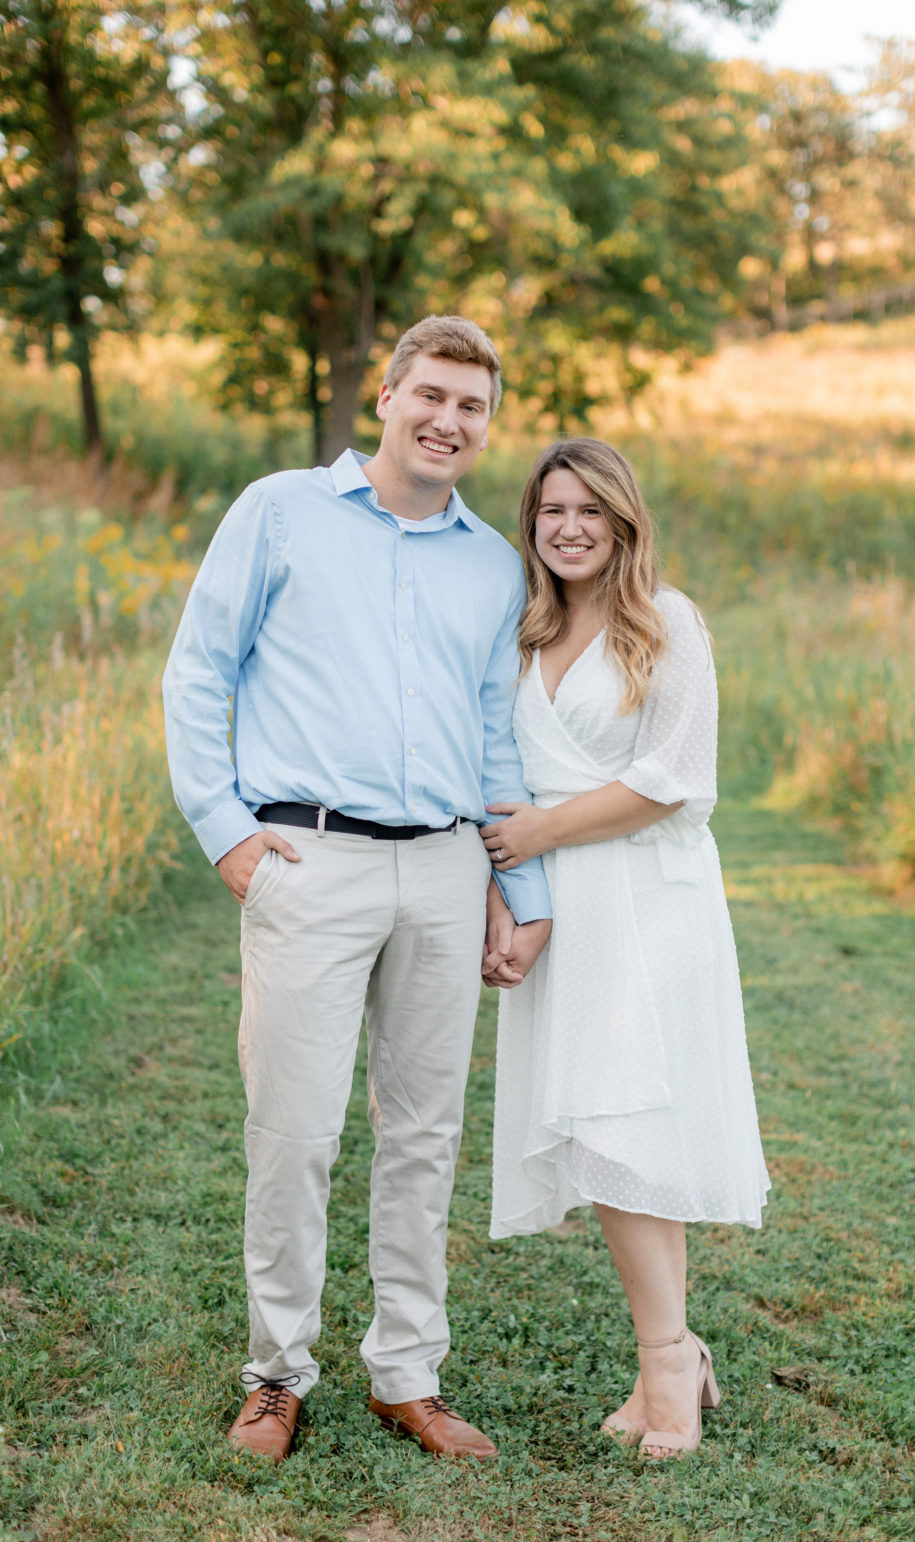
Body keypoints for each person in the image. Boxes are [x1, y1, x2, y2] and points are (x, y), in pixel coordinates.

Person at [162, 316, 552, 1465]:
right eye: (428, 394)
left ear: (487, 423)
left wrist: (514, 885)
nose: (446, 420)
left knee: (425, 1129)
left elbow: (491, 734)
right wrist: (224, 830)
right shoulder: (278, 509)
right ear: (382, 396)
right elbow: (198, 668)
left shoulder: (492, 562)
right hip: (304, 857)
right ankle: (276, 1373)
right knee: (293, 1128)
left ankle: (407, 1373)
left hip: (440, 864)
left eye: (471, 406)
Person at [480, 438, 769, 1460]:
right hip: (564, 910)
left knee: (627, 1128)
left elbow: (672, 779)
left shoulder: (666, 622)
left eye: (586, 510)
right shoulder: (521, 633)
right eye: (549, 509)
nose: (566, 526)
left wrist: (537, 835)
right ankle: (671, 1355)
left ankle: (665, 1367)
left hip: (648, 900)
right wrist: (504, 895)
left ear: (621, 521)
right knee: (608, 1133)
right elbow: (494, 776)